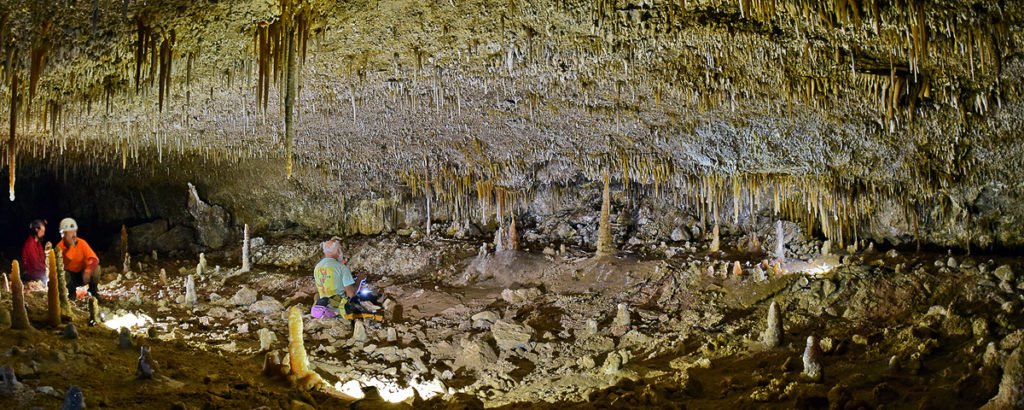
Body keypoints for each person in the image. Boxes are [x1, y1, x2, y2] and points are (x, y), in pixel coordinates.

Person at [311, 237, 380, 319]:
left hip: (324, 303)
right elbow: (351, 294)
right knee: (370, 304)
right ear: (337, 251)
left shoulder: (317, 267)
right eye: (340, 249)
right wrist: (359, 280)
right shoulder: (341, 267)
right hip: (338, 307)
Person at [56, 218, 102, 301]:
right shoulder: (59, 248)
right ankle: (71, 293)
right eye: (70, 232)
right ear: (63, 234)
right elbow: (62, 266)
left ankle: (93, 291)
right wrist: (71, 248)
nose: (74, 234)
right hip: (71, 278)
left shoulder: (82, 243)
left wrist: (87, 271)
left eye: (74, 231)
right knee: (63, 273)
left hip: (83, 274)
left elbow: (94, 259)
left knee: (96, 269)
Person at [21, 219, 49, 287]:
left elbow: (42, 258)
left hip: (39, 273)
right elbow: (35, 264)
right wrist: (46, 269)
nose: (44, 234)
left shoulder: (37, 243)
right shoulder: (30, 244)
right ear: (36, 229)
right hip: (33, 275)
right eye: (42, 232)